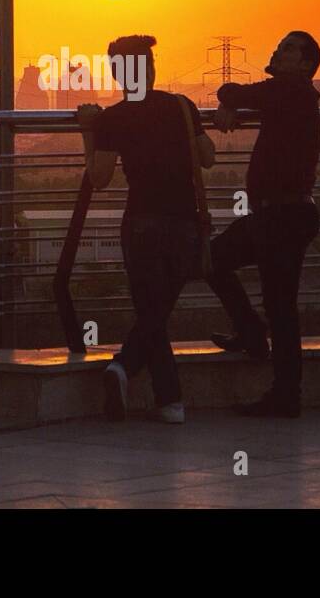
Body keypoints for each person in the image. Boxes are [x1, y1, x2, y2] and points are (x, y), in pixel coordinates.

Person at [77, 34, 215, 424]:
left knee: (150, 309)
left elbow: (99, 178)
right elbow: (208, 158)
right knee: (157, 312)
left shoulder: (112, 118)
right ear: (152, 69)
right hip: (184, 222)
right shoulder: (181, 106)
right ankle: (166, 400)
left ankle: (129, 372)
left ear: (117, 73)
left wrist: (88, 130)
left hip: (140, 223)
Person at [207, 31, 320, 417]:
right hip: (276, 216)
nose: (278, 48)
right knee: (215, 261)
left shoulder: (288, 90)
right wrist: (233, 104)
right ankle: (253, 334)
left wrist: (230, 103)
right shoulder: (292, 94)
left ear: (305, 64)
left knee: (279, 306)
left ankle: (285, 393)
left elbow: (231, 90)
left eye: (289, 47)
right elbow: (239, 95)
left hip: (282, 218)